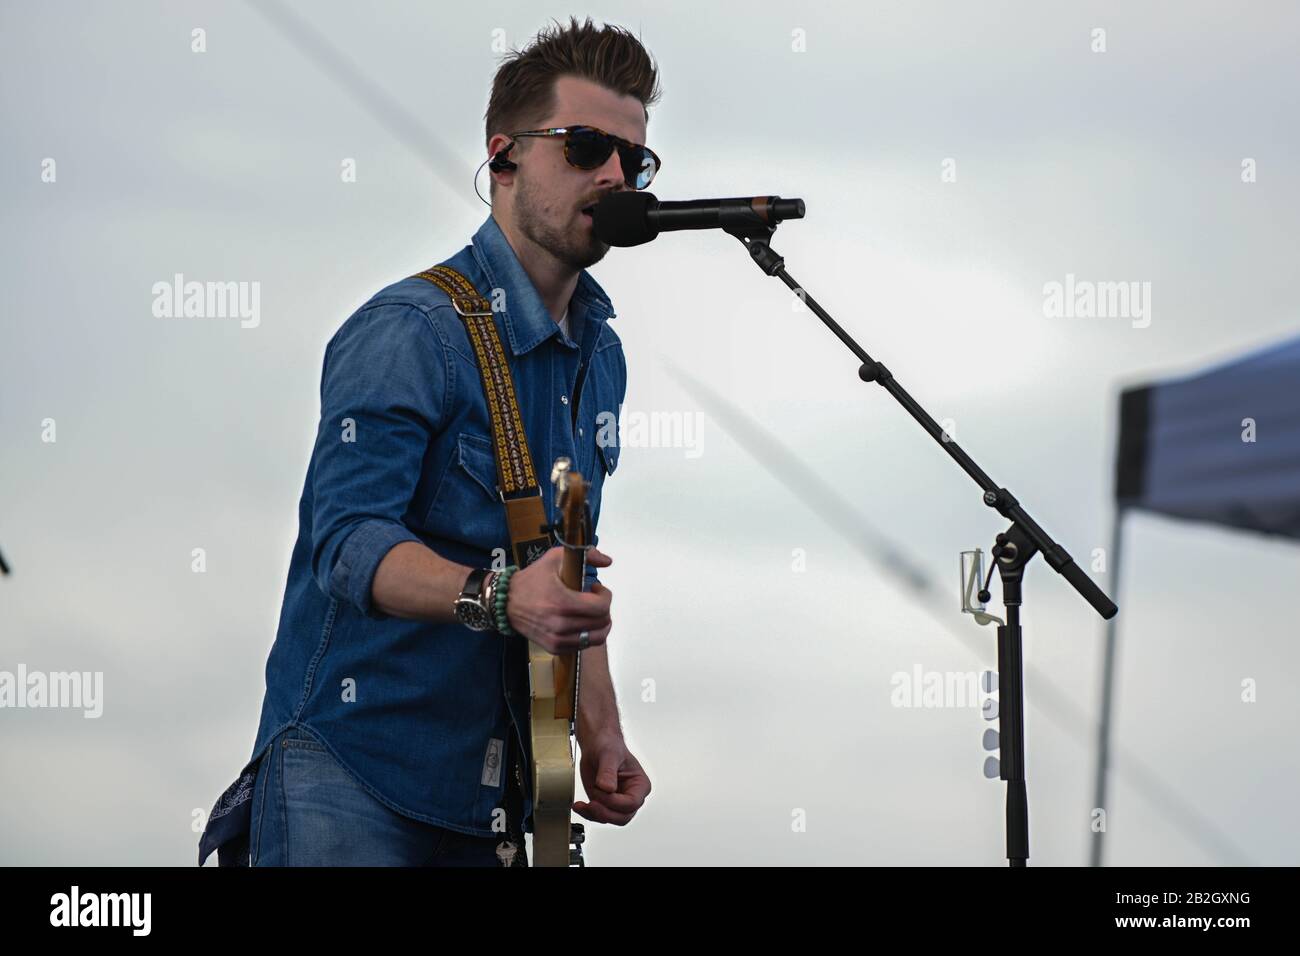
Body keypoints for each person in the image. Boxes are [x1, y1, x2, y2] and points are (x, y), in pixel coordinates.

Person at [198, 15, 658, 866]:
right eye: (587, 145)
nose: (617, 175)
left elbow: (559, 572)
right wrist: (499, 596)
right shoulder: (411, 330)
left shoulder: (603, 355)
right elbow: (348, 542)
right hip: (352, 779)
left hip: (492, 804)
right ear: (505, 155)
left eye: (636, 158)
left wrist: (601, 735)